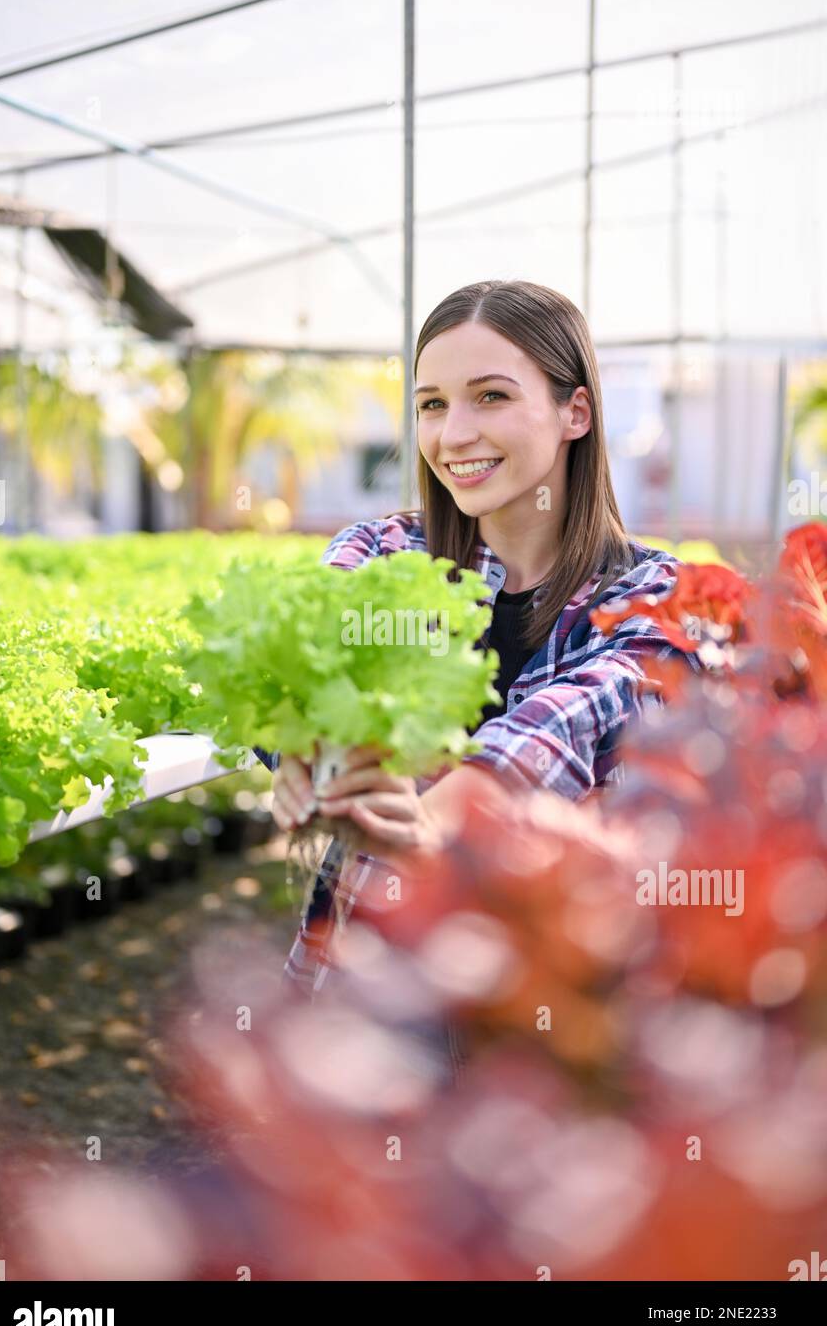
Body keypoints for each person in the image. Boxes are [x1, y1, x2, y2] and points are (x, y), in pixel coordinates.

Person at [253, 280, 701, 1072]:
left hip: (539, 1044)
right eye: (431, 404)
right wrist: (311, 750)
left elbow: (555, 734)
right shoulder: (385, 552)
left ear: (577, 413)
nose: (454, 433)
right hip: (355, 1013)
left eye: (490, 396)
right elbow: (297, 664)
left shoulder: (654, 598)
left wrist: (406, 816)